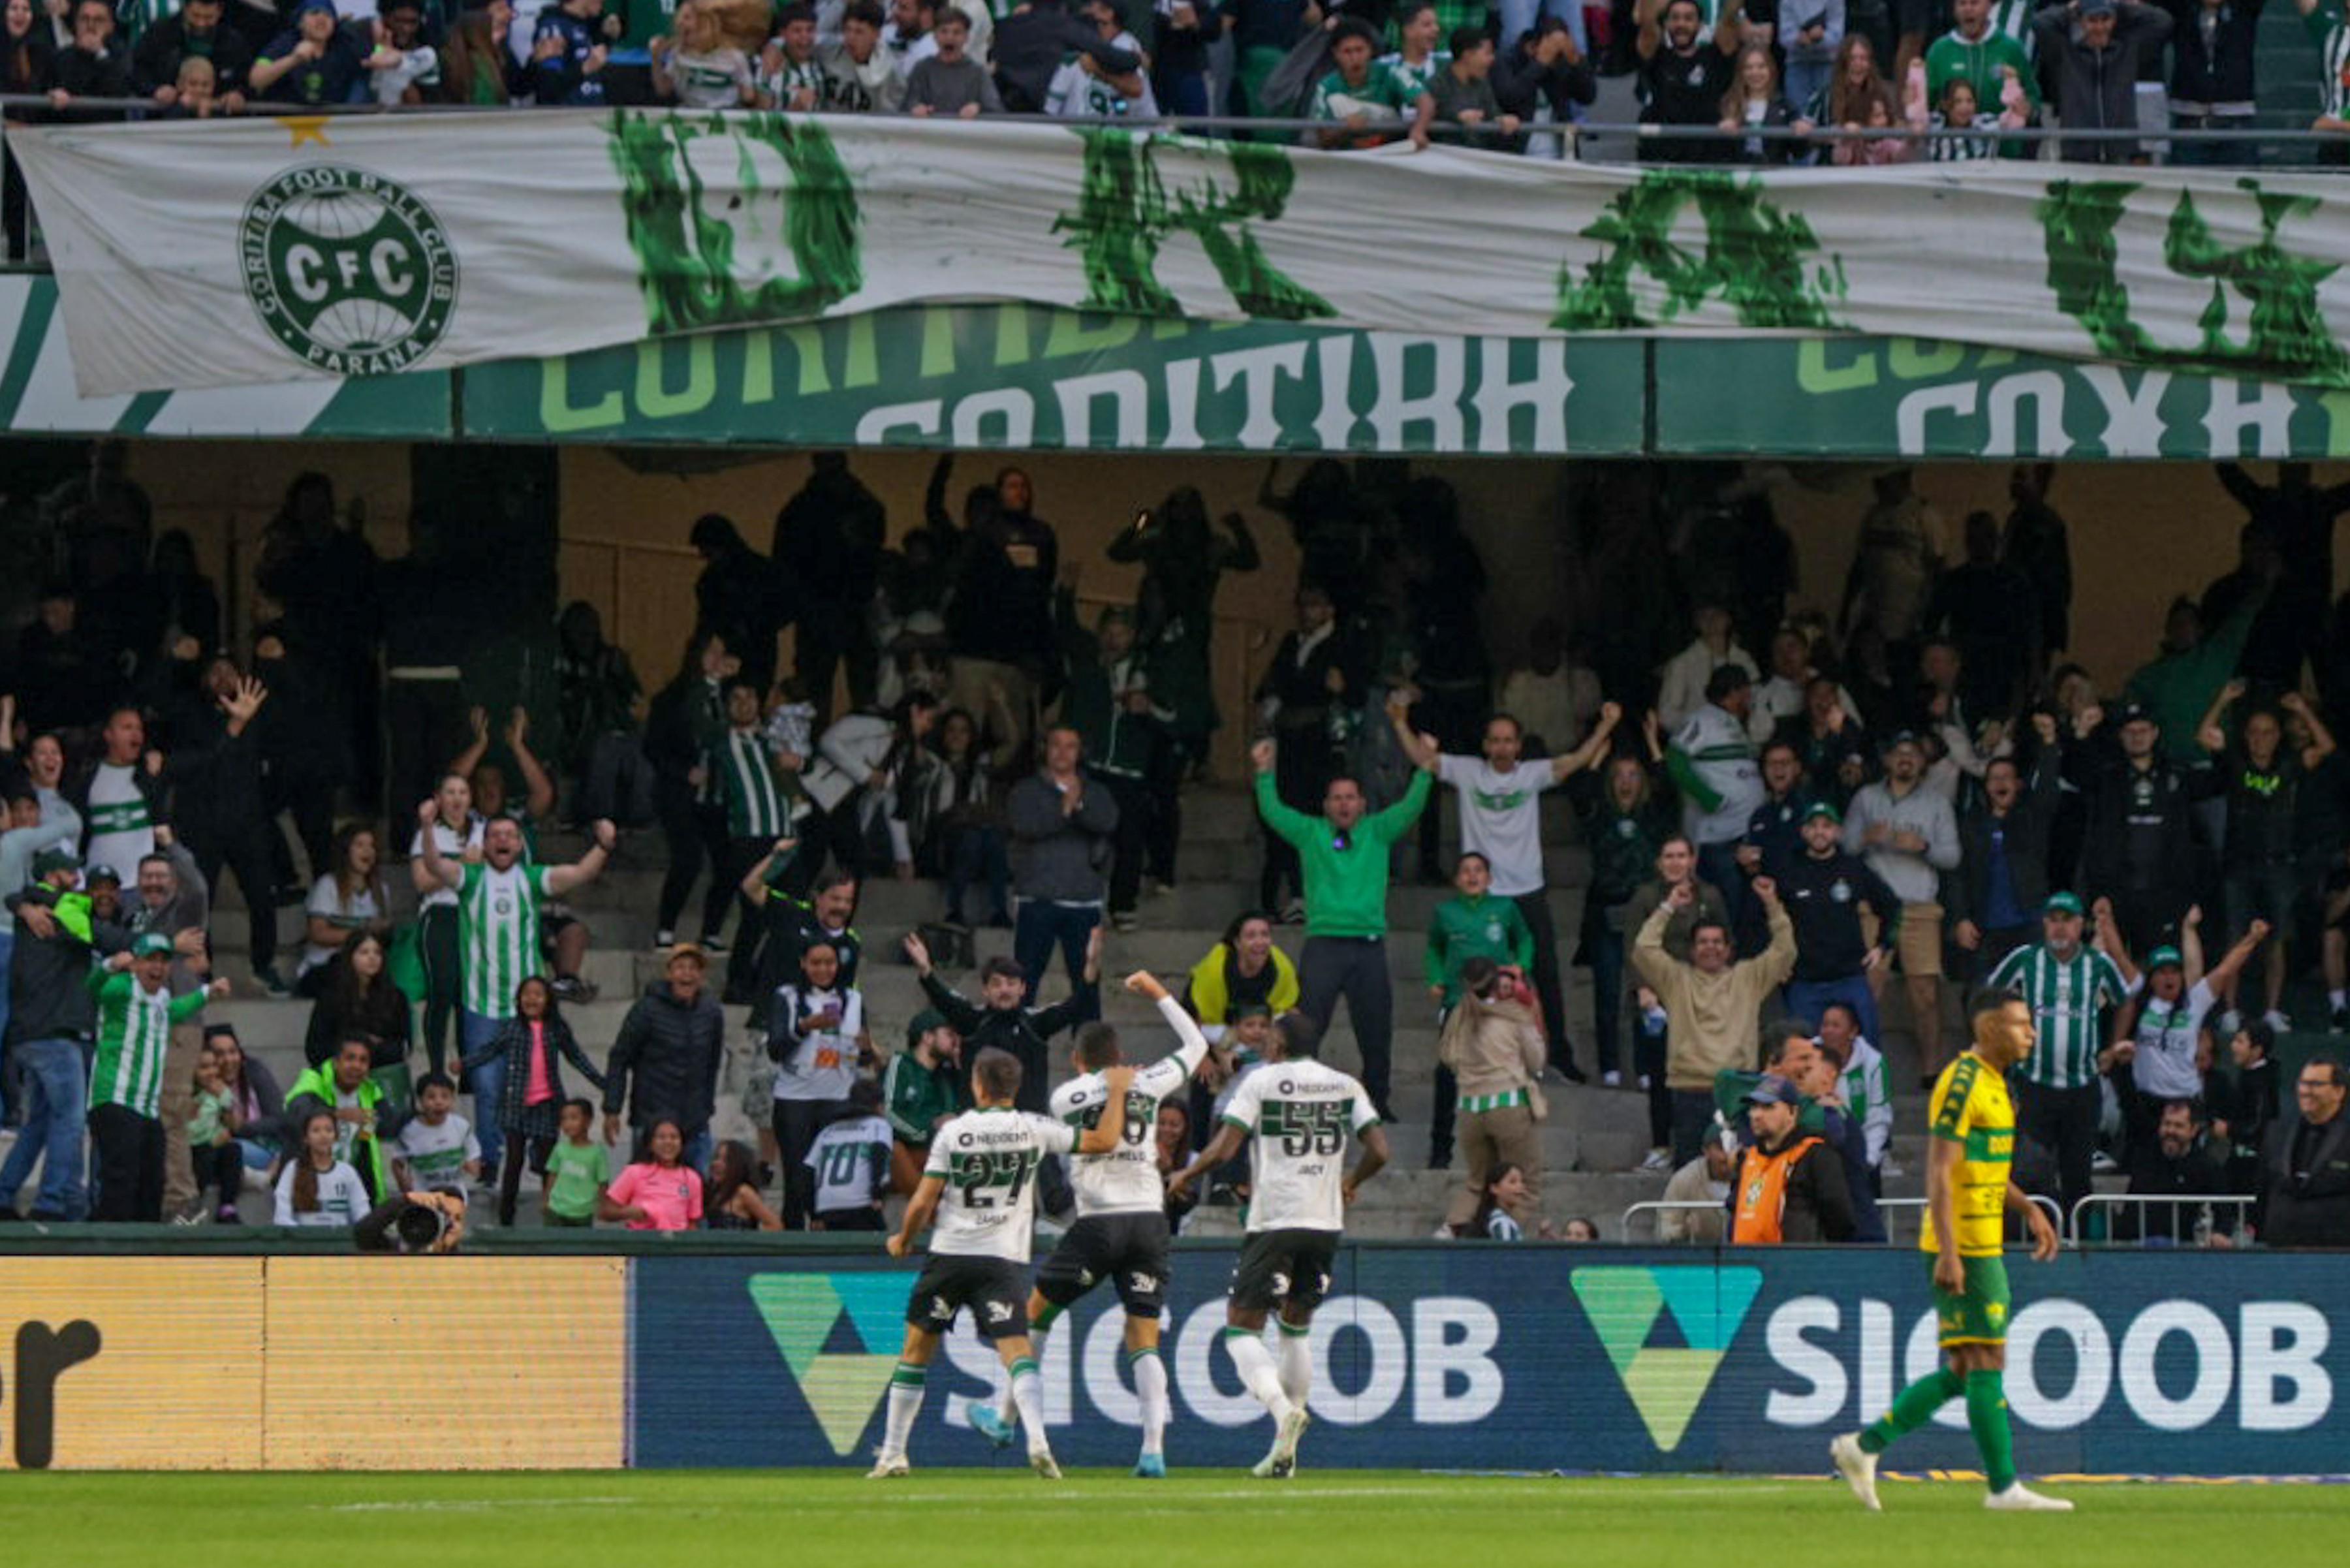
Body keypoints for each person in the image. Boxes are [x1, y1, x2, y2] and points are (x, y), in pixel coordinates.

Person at [1831, 990, 2071, 1514]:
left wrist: (2028, 1208)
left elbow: (1983, 1167)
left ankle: (1864, 1446)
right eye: (2020, 1024)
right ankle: (2003, 1488)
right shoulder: (1961, 1082)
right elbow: (1939, 1169)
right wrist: (1948, 1250)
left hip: (1983, 1238)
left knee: (1965, 1368)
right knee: (1987, 1359)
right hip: (1964, 1242)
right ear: (1989, 1030)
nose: (2031, 1033)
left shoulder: (1996, 1083)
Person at [971, 971, 1210, 1477]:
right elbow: (1196, 1045)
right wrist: (1158, 994)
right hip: (1150, 1221)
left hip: (1099, 1222)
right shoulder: (1149, 1082)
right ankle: (1153, 1451)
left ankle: (1005, 1417)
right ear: (1120, 1055)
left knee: (1034, 1314)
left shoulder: (1066, 1096)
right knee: (1143, 1337)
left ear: (1077, 1060)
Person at [871, 1048, 1133, 1481]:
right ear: (1016, 1086)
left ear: (977, 1084)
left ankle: (894, 1454)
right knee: (1018, 1354)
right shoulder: (1033, 1128)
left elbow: (922, 1200)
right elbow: (1103, 1141)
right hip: (1001, 1259)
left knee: (915, 1353)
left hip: (950, 1255)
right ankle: (1037, 1441)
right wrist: (1118, 1092)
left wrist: (903, 1239)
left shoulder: (954, 1132)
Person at [1168, 1013, 1388, 1479]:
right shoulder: (1345, 1085)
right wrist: (1351, 1181)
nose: (1264, 1044)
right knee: (1296, 1330)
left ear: (1280, 1045)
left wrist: (1187, 1173)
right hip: (1325, 1223)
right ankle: (1286, 1456)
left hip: (1276, 1220)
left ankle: (1282, 1411)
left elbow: (1225, 1149)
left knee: (1241, 1331)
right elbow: (1380, 1151)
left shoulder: (1262, 1082)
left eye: (1269, 1038)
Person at [1390, 699, 1622, 1080]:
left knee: (1545, 974)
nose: (1502, 747)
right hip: (1485, 894)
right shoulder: (1468, 771)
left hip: (1529, 889)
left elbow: (1575, 762)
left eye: (1508, 741)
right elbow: (1424, 760)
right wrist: (1400, 723)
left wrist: (1605, 726)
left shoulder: (1531, 774)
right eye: (1495, 741)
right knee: (1479, 975)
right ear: (1485, 745)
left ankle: (1558, 1053)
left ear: (1518, 745)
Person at [416, 804, 615, 1184]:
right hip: (480, 1005)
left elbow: (581, 873)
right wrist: (427, 826)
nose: (502, 840)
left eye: (509, 835)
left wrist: (604, 846)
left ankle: (535, 1160)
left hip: (529, 1010)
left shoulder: (533, 878)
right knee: (488, 1088)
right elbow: (435, 865)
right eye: (495, 835)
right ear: (485, 844)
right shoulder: (471, 877)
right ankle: (491, 1163)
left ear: (521, 843)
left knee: (534, 1088)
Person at [1251, 735, 1430, 1121]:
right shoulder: (1311, 832)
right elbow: (1273, 812)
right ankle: (1301, 1096)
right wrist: (1264, 773)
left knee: (1376, 1028)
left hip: (1368, 946)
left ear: (1363, 803)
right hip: (1324, 945)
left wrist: (1425, 771)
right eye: (1337, 798)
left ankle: (1377, 1101)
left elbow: (1412, 807)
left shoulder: (1378, 830)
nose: (1344, 804)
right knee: (1306, 1028)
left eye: (1351, 798)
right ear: (1326, 805)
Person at [907, 930, 1101, 1215]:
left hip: (1026, 1130)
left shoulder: (1036, 1023)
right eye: (996, 984)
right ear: (985, 990)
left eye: (1011, 984)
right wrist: (926, 970)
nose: (1005, 990)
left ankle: (1050, 1209)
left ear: (1023, 989)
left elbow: (1076, 1004)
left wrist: (1091, 968)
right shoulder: (972, 1021)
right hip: (981, 1132)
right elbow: (943, 999)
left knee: (1051, 1193)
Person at [1990, 892, 2138, 1221]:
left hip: (2082, 1088)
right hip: (2034, 1084)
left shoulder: (2097, 964)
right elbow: (1988, 995)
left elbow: (2125, 1000)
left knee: (2078, 1174)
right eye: (2053, 920)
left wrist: (2112, 1048)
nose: (2060, 927)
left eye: (2067, 920)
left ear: (2080, 925)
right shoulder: (2025, 959)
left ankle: (2076, 1241)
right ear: (2044, 923)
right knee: (2028, 1170)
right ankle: (2030, 1238)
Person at [1633, 874, 1798, 1166]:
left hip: (1738, 1092)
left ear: (1729, 948)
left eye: (1718, 942)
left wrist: (1772, 904)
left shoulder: (1749, 977)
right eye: (1703, 942)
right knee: (1690, 1174)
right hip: (1689, 1091)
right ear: (1692, 949)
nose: (1711, 948)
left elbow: (1785, 951)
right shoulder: (1675, 979)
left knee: (1741, 1174)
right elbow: (1644, 949)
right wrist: (1669, 906)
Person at [1, 848, 127, 1221]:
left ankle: (5, 1196)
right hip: (53, 1033)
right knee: (70, 1120)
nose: (78, 880)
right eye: (72, 873)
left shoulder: (34, 905)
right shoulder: (63, 907)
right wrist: (153, 942)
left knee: (39, 1122)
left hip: (32, 1033)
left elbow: (18, 896)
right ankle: (51, 1204)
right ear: (54, 875)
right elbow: (102, 936)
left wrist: (21, 905)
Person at [2201, 684, 2333, 1029]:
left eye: (2268, 732)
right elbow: (2204, 735)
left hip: (2278, 864)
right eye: (2255, 732)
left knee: (2277, 941)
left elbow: (2326, 747)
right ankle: (2230, 1011)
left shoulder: (2289, 764)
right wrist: (2222, 699)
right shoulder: (2236, 761)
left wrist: (2302, 710)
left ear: (2278, 736)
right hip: (2239, 865)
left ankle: (2272, 1011)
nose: (2261, 739)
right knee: (2234, 938)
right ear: (2246, 736)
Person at [86, 933, 228, 1222]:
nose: (158, 967)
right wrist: (110, 965)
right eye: (151, 959)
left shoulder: (162, 999)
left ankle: (144, 1243)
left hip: (147, 1108)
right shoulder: (121, 988)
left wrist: (206, 992)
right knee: (122, 1179)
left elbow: (176, 1009)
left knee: (152, 1181)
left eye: (164, 961)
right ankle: (110, 1243)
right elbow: (93, 988)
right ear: (135, 964)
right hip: (115, 1098)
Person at [1843, 731, 1962, 1078]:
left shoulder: (1937, 803)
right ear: (1887, 761)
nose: (1905, 759)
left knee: (1925, 994)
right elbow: (1843, 846)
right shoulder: (1866, 798)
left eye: (1913, 754)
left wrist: (1922, 846)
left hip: (1919, 907)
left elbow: (1953, 857)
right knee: (1867, 988)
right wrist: (1866, 837)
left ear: (1923, 762)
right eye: (1899, 753)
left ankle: (1931, 1072)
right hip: (1874, 909)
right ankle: (1858, 1070)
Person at [2108, 916, 2264, 1155]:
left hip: (2184, 1101)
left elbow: (2225, 970)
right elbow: (2119, 957)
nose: (2169, 978)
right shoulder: (2142, 999)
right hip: (2145, 1100)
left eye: (2174, 972)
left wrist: (2252, 938)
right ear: (2152, 978)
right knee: (2143, 1162)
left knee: (2188, 1161)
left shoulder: (2195, 1001)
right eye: (2162, 972)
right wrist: (2105, 919)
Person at [460, 974, 607, 1227]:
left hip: (547, 1106)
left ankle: (552, 1213)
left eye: (538, 994)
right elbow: (490, 1050)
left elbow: (576, 1056)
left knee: (548, 1164)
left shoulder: (556, 1028)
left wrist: (601, 1082)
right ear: (519, 1000)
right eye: (527, 994)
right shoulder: (512, 1028)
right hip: (516, 1105)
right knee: (514, 1162)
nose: (532, 999)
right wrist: (464, 1064)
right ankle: (506, 1218)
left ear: (548, 1000)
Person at [1253, 582, 1360, 920]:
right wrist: (1271, 706)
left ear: (1329, 610)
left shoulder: (1343, 645)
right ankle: (1289, 892)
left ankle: (1321, 891)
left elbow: (1356, 693)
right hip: (1289, 741)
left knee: (1325, 819)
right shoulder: (1291, 643)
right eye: (1303, 605)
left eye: (1314, 605)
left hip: (1323, 745)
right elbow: (1272, 684)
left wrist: (1342, 688)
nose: (1307, 612)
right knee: (1284, 817)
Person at [1776, 802, 1901, 1049]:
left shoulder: (1853, 868)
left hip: (1850, 977)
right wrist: (1777, 962)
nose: (1820, 832)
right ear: (1804, 832)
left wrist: (1882, 947)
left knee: (1869, 1051)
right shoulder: (1789, 871)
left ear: (1837, 832)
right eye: (1813, 826)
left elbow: (1892, 907)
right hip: (1805, 981)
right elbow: (1766, 918)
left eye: (1826, 826)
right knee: (1803, 1053)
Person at [1007, 725, 1117, 1007]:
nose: (1062, 752)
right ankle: (1020, 1034)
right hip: (1037, 897)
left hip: (1083, 899)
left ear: (1080, 753)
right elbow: (1024, 825)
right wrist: (1063, 811)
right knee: (1025, 981)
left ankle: (1089, 1036)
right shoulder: (1026, 790)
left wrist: (1078, 806)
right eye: (1056, 744)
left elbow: (1107, 822)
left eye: (1071, 746)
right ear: (1045, 749)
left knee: (1086, 983)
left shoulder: (1096, 791)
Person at [766, 939, 871, 1229]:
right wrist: (804, 1027)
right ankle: (793, 1235)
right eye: (816, 963)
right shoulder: (787, 996)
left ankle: (827, 1232)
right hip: (795, 1099)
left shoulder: (853, 999)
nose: (823, 970)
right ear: (803, 963)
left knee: (830, 1174)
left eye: (829, 963)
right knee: (797, 1174)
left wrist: (866, 1049)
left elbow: (863, 1055)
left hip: (838, 1097)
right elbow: (775, 1050)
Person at [1437, 958, 1547, 1236]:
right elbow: (1536, 1060)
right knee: (1525, 1183)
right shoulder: (1513, 1014)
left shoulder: (1459, 1015)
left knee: (1478, 1182)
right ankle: (1508, 1238)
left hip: (1469, 1107)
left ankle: (1452, 1232)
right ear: (1497, 983)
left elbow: (1448, 1056)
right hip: (1508, 1103)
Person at [1948, 723, 2063, 981]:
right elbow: (1958, 875)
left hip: (2030, 922)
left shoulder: (2032, 818)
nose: (2000, 783)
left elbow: (2047, 788)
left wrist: (2049, 743)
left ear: (2018, 784)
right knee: (1986, 996)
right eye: (1994, 778)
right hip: (1986, 927)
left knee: (2034, 993)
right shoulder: (1972, 825)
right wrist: (1961, 919)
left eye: (2006, 777)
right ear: (1986, 787)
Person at [603, 945, 727, 1171]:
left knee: (696, 1186)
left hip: (695, 1120)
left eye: (693, 968)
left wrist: (706, 1108)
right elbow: (619, 1058)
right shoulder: (646, 1010)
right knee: (648, 1186)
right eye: (680, 967)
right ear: (669, 973)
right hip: (652, 1118)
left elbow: (713, 1063)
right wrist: (612, 1108)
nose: (687, 974)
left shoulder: (711, 1012)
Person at [2032, 0, 2172, 163]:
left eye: (2105, 20)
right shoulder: (2066, 53)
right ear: (2081, 22)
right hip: (2078, 151)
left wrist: (2120, 5)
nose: (2099, 28)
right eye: (2092, 20)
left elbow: (2163, 21)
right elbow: (2040, 23)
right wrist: (2072, 8)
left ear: (2114, 20)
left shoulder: (2128, 49)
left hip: (2121, 151)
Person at [408, 772, 481, 1075]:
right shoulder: (430, 835)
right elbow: (422, 882)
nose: (457, 799)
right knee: (442, 991)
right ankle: (436, 1070)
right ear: (439, 799)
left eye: (463, 792)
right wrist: (460, 864)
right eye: (450, 792)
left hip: (474, 918)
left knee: (469, 998)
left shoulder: (483, 832)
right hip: (440, 916)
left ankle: (469, 1073)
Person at [1728, 1073, 1855, 1244]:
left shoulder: (1816, 1155)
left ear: (1792, 1113)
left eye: (1768, 1107)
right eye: (1754, 1107)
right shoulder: (1748, 1159)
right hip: (1746, 1258)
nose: (1756, 1115)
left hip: (1796, 1258)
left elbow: (1840, 1218)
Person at [285, 1036, 401, 1204]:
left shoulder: (369, 1089)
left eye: (363, 1061)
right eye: (350, 1058)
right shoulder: (314, 1079)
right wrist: (337, 1114)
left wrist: (368, 1122)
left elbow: (388, 1126)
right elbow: (296, 1113)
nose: (356, 1066)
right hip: (310, 1182)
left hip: (354, 1184)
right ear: (335, 1062)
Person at [1635, 0, 1746, 161]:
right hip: (1662, 154)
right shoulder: (1658, 56)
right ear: (1666, 24)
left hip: (1709, 154)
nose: (1681, 24)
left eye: (1688, 18)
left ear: (1700, 25)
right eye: (1675, 18)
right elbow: (1648, 25)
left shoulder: (1714, 56)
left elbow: (1729, 19)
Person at [2257, 1056, 2350, 1247]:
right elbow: (2263, 1188)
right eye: (2303, 1083)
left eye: (2316, 1084)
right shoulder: (2277, 1132)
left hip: (2336, 1252)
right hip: (2279, 1249)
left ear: (2339, 1092)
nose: (2306, 1091)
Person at [2118, 1100, 2229, 1243]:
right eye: (2167, 1124)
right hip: (2137, 1246)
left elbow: (2223, 1213)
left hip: (2183, 1249)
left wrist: (2220, 1233)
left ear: (2193, 1130)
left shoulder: (2206, 1167)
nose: (2170, 1131)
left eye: (2178, 1126)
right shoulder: (2143, 1158)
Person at [296, 824, 387, 998]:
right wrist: (362, 932)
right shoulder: (328, 885)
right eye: (360, 845)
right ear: (346, 851)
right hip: (323, 967)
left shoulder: (381, 891)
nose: (367, 851)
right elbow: (317, 933)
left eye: (372, 846)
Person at [302, 930, 411, 1071]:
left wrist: (372, 1050)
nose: (372, 958)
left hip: (381, 1073)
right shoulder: (331, 997)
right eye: (364, 952)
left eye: (377, 953)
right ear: (350, 957)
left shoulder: (396, 997)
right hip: (338, 1073)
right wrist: (360, 1044)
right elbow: (315, 1049)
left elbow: (402, 1048)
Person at [883, 1009, 967, 1191]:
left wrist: (960, 1068)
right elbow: (888, 1112)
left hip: (940, 1152)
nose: (954, 1042)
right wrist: (928, 1131)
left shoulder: (947, 1073)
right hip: (909, 1148)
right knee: (897, 1150)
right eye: (949, 1035)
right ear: (928, 1037)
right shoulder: (901, 1064)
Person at [1184, 912, 1300, 1041]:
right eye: (1251, 936)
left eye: (1265, 935)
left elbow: (1288, 1008)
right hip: (1216, 1024)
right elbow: (1199, 1018)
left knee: (1296, 1025)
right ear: (1237, 943)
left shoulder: (1281, 966)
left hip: (1258, 1022)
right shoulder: (1215, 971)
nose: (1260, 942)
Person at [807, 1083, 892, 1231]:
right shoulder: (879, 1125)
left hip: (826, 1208)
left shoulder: (828, 1131)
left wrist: (813, 1214)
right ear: (879, 1106)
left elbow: (807, 1171)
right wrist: (877, 1195)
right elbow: (879, 1156)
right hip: (860, 1206)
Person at [601, 1118, 706, 1231]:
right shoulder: (635, 1172)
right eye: (661, 1137)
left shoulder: (691, 1178)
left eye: (674, 1137)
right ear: (651, 1144)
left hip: (677, 1240)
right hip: (641, 1239)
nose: (668, 1142)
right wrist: (628, 1212)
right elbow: (605, 1211)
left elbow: (692, 1223)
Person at [273, 1108, 372, 1228]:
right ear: (306, 1138)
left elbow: (363, 1214)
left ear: (336, 1136)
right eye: (316, 1131)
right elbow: (281, 1217)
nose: (323, 1136)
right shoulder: (293, 1169)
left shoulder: (347, 1172)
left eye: (329, 1130)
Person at [388, 1073, 481, 1200]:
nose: (439, 1102)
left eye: (445, 1097)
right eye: (431, 1097)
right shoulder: (409, 1132)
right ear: (420, 1101)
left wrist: (472, 1165)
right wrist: (404, 1185)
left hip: (456, 1197)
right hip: (424, 1197)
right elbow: (397, 1162)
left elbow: (473, 1152)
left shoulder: (461, 1126)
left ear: (453, 1100)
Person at [542, 1099, 608, 1229]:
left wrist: (602, 1206)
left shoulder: (597, 1152)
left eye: (573, 1118)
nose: (568, 1124)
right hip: (556, 1208)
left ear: (588, 1121)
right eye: (564, 1119)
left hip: (583, 1212)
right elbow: (552, 1175)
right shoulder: (560, 1149)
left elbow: (603, 1182)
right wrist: (546, 1200)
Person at [1659, 1133, 1735, 1243]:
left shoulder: (1752, 1174)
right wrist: (1684, 1229)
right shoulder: (1685, 1179)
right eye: (1721, 1148)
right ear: (1706, 1151)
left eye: (1732, 1147)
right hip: (1701, 1251)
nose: (1727, 1155)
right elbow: (1664, 1230)